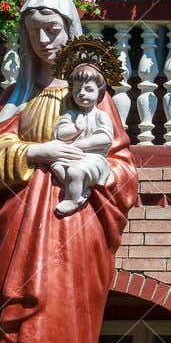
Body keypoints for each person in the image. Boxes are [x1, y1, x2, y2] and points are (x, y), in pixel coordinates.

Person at [0, 0, 139, 343]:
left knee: (60, 321)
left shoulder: (93, 97)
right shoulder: (16, 98)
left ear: (70, 30)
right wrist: (38, 152)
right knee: (4, 321)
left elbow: (125, 173)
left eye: (53, 29)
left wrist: (92, 168)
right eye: (34, 32)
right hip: (19, 227)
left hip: (71, 231)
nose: (44, 40)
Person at [49, 40, 120, 217]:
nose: (82, 93)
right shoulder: (70, 115)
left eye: (88, 89)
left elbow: (105, 139)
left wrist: (79, 145)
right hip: (72, 156)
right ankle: (79, 191)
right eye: (77, 90)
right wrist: (75, 129)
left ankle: (72, 199)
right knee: (56, 166)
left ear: (99, 92)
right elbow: (59, 134)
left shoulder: (100, 116)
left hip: (93, 158)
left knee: (74, 171)